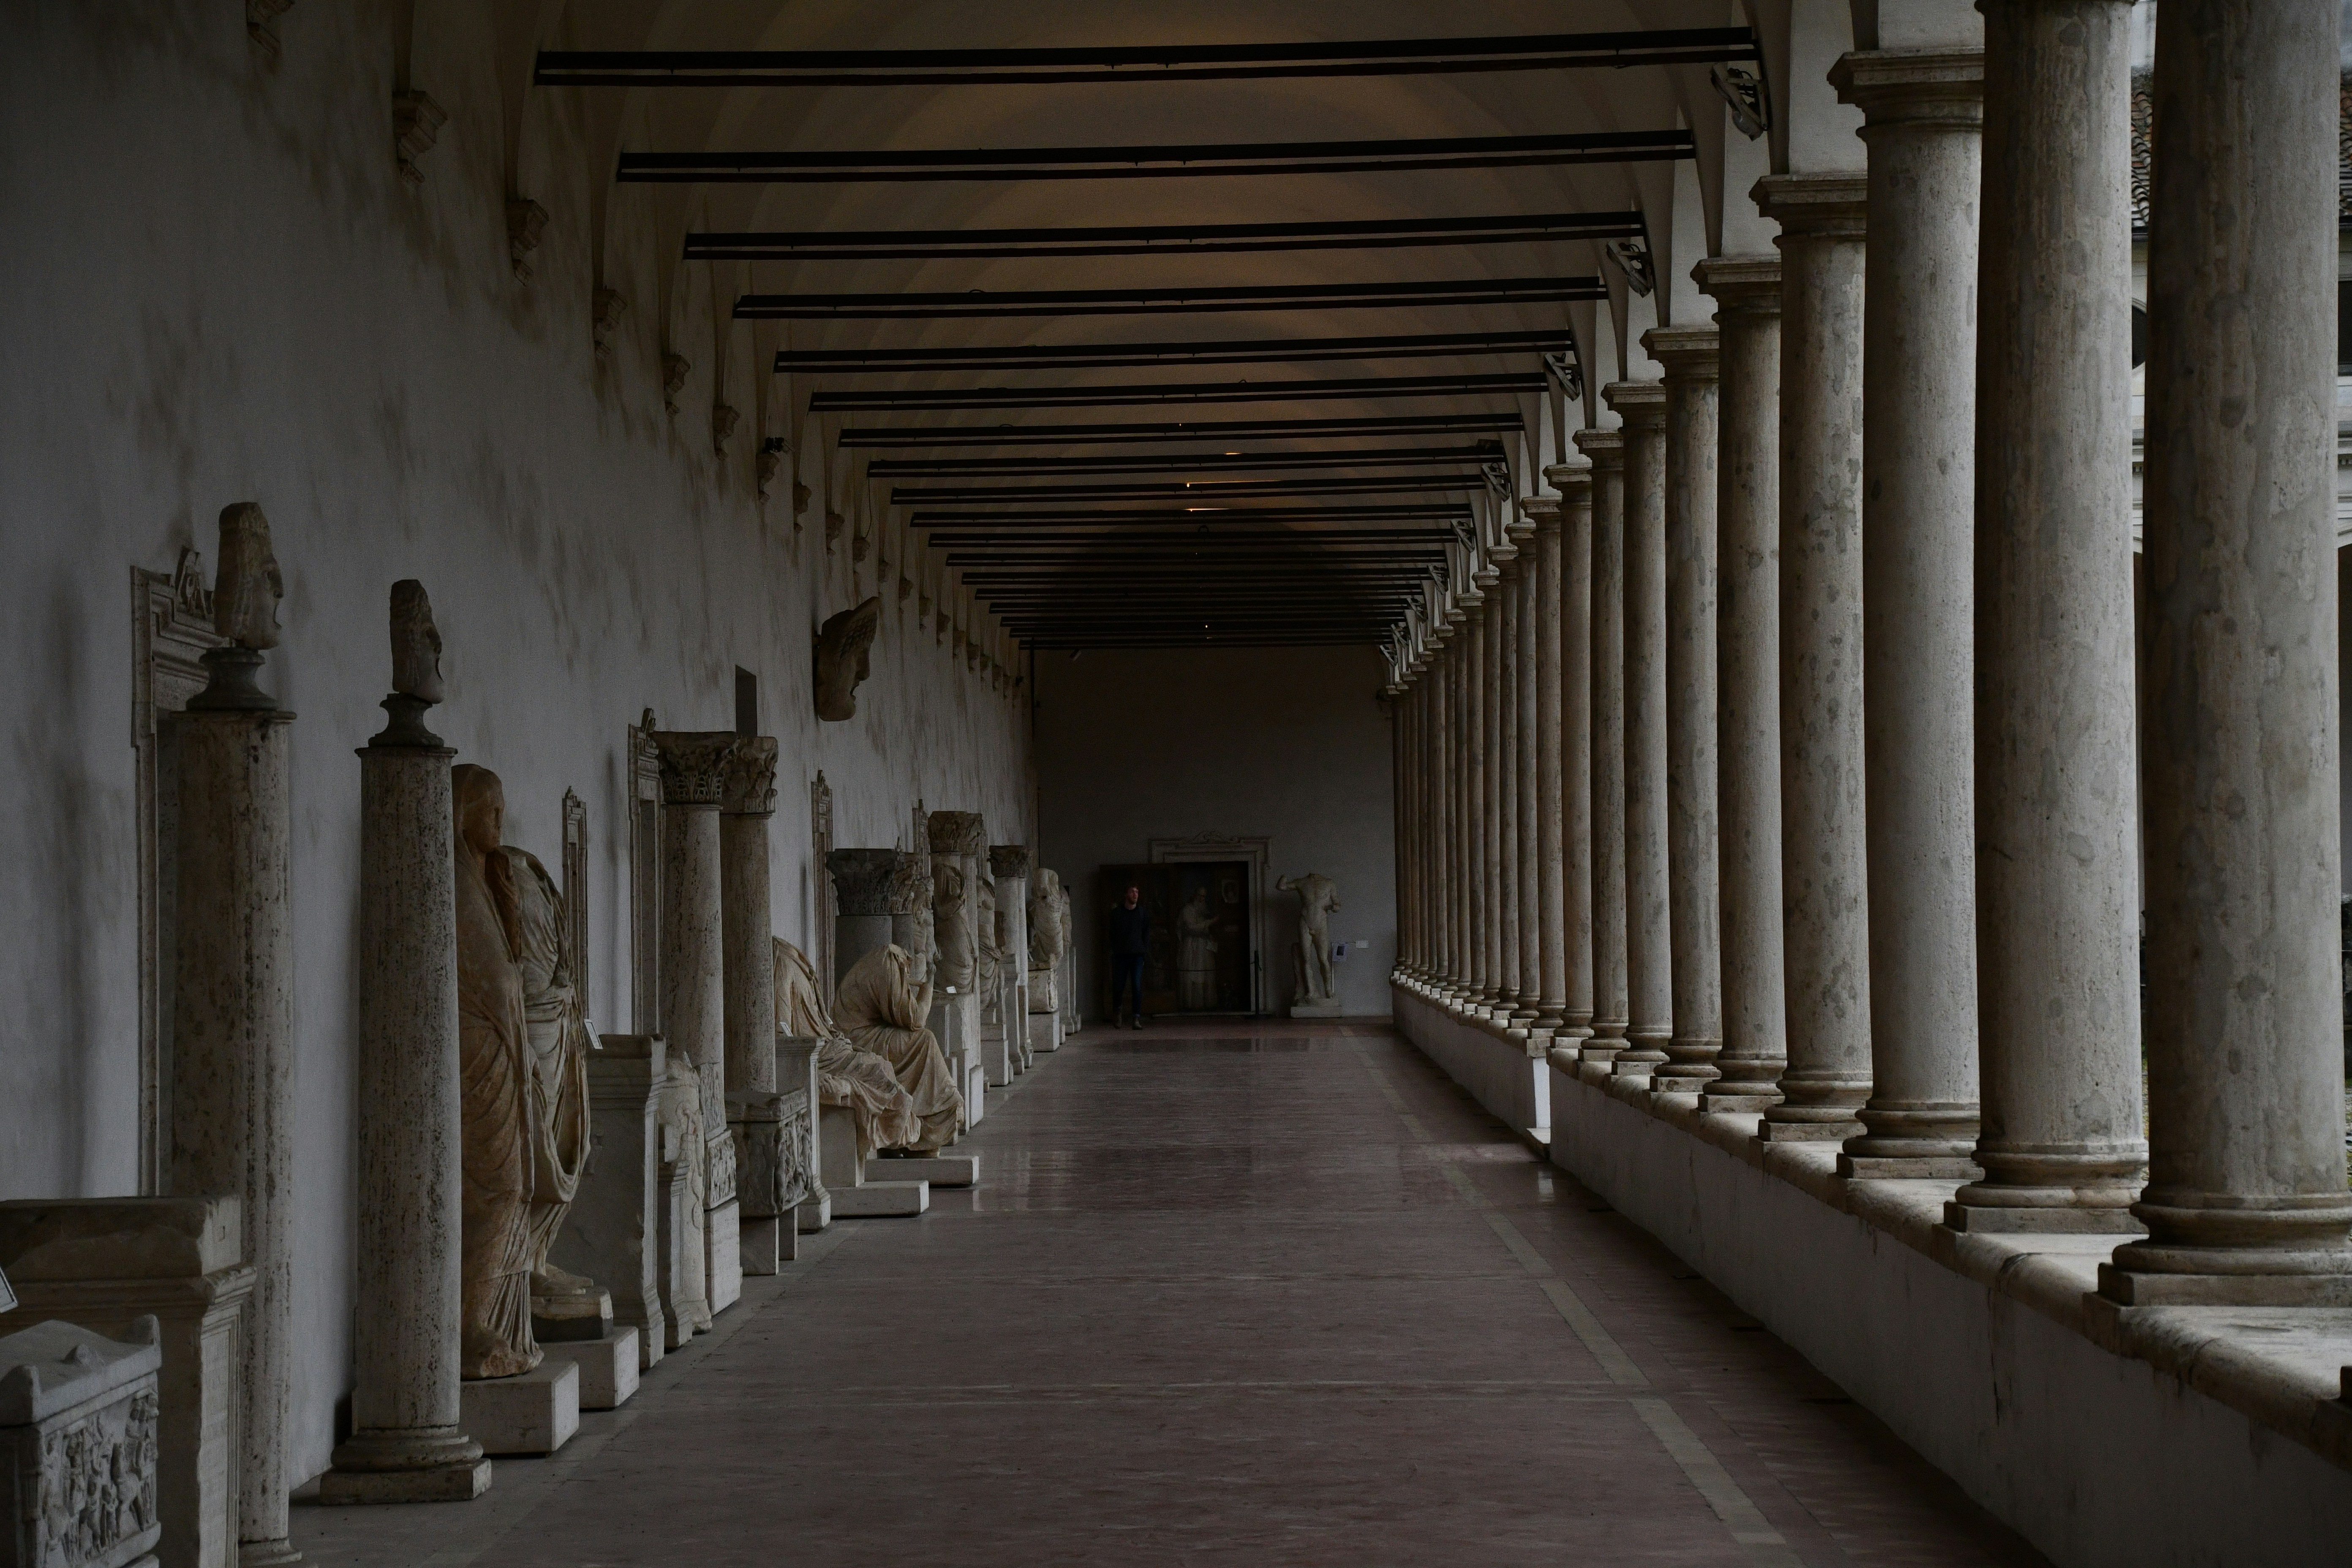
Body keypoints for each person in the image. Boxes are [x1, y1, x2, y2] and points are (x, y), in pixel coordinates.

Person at [1107, 884, 1151, 1029]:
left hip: (1137, 956)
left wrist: (1144, 951)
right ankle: (1118, 1012)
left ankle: (1136, 1018)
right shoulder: (1118, 913)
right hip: (1121, 956)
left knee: (1137, 986)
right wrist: (1115, 949)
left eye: (1137, 892)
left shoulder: (1142, 913)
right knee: (1119, 986)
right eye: (1132, 892)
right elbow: (1112, 934)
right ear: (1126, 894)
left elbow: (1146, 933)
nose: (1135, 894)